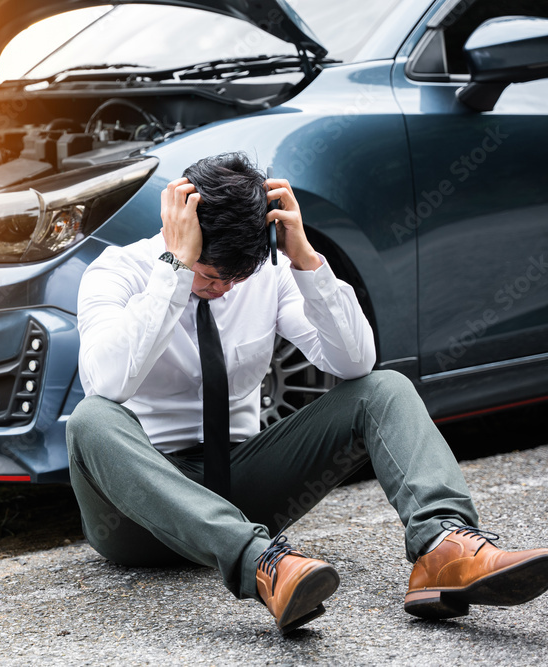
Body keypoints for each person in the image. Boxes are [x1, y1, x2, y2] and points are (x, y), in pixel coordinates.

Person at [66, 152, 548, 634]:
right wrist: (174, 268)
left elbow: (355, 362)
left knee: (385, 388)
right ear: (177, 223)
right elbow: (107, 383)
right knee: (91, 420)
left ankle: (444, 548)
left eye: (238, 278)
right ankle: (262, 564)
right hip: (138, 515)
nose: (226, 289)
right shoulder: (117, 274)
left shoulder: (266, 271)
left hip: (240, 490)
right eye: (211, 275)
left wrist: (306, 259)